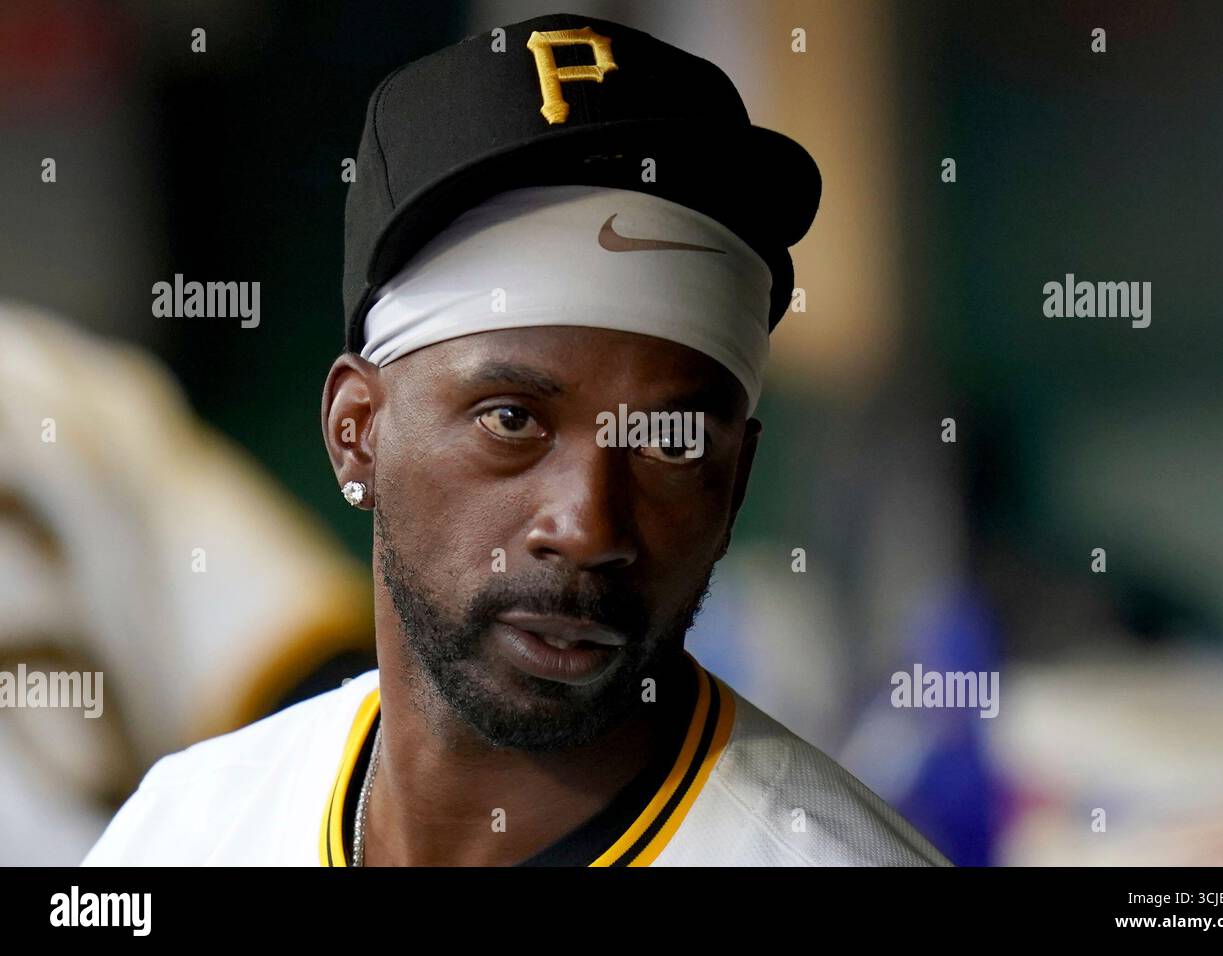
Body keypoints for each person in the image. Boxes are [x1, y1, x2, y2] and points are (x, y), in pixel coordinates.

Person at [83, 11, 950, 867]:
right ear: (356, 433)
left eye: (673, 440)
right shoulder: (186, 828)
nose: (587, 526)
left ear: (737, 482)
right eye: (512, 420)